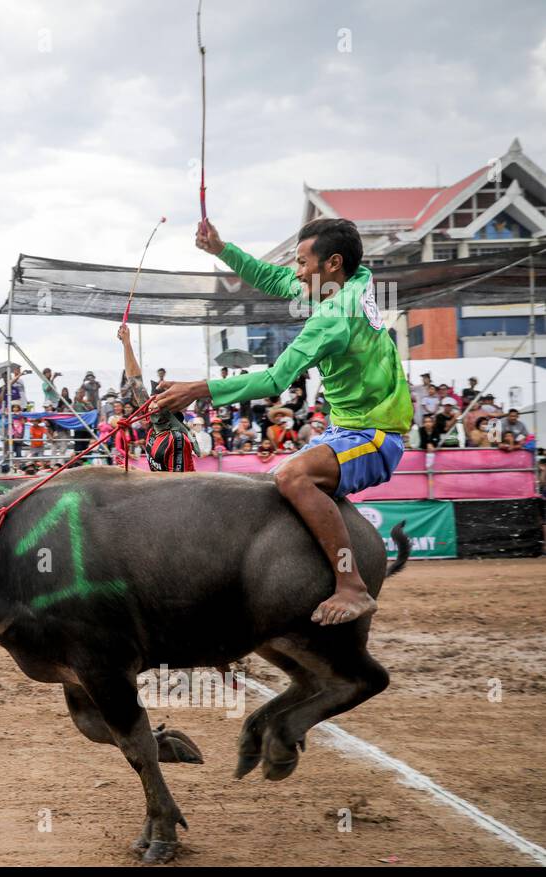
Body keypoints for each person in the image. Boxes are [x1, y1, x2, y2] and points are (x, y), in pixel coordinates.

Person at [155, 217, 413, 626]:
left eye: (301, 262)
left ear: (331, 262)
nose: (295, 272)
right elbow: (274, 279)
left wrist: (196, 389)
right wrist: (221, 249)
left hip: (375, 435)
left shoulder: (333, 317)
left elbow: (276, 378)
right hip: (343, 429)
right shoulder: (350, 279)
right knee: (269, 488)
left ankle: (352, 586)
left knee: (293, 479)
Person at [116, 324, 198, 471]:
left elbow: (178, 487)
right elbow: (135, 382)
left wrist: (138, 475)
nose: (150, 402)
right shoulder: (155, 422)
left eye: (156, 399)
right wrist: (126, 343)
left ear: (169, 407)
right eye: (153, 398)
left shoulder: (176, 439)